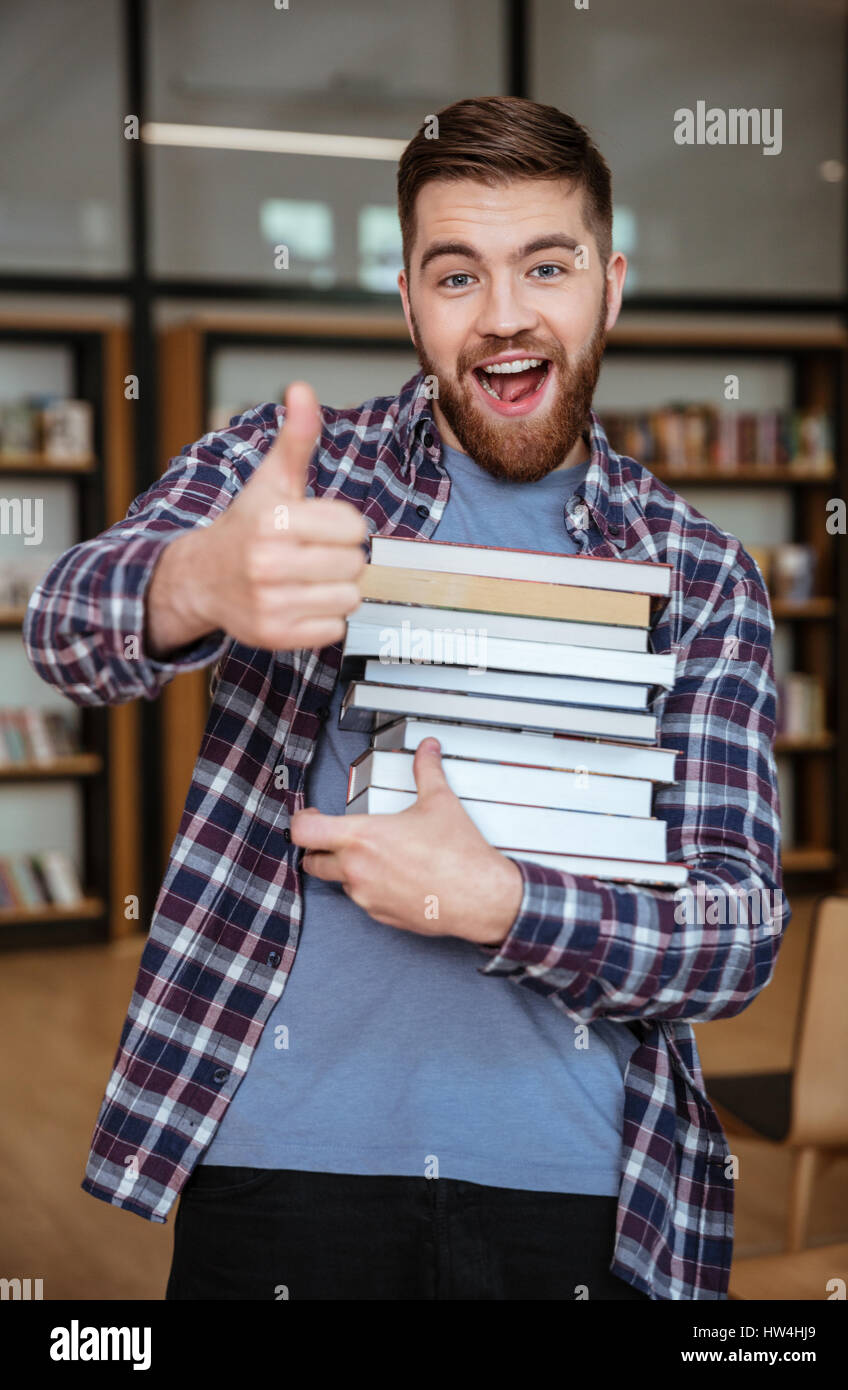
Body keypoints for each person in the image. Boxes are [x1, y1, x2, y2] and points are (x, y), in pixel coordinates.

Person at [23, 95, 788, 1301]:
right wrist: (200, 578)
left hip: (581, 1192)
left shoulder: (702, 578)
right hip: (278, 1170)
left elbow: (736, 938)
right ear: (407, 304)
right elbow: (64, 632)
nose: (503, 317)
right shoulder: (285, 475)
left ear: (610, 284)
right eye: (455, 275)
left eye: (546, 264)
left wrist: (501, 904)